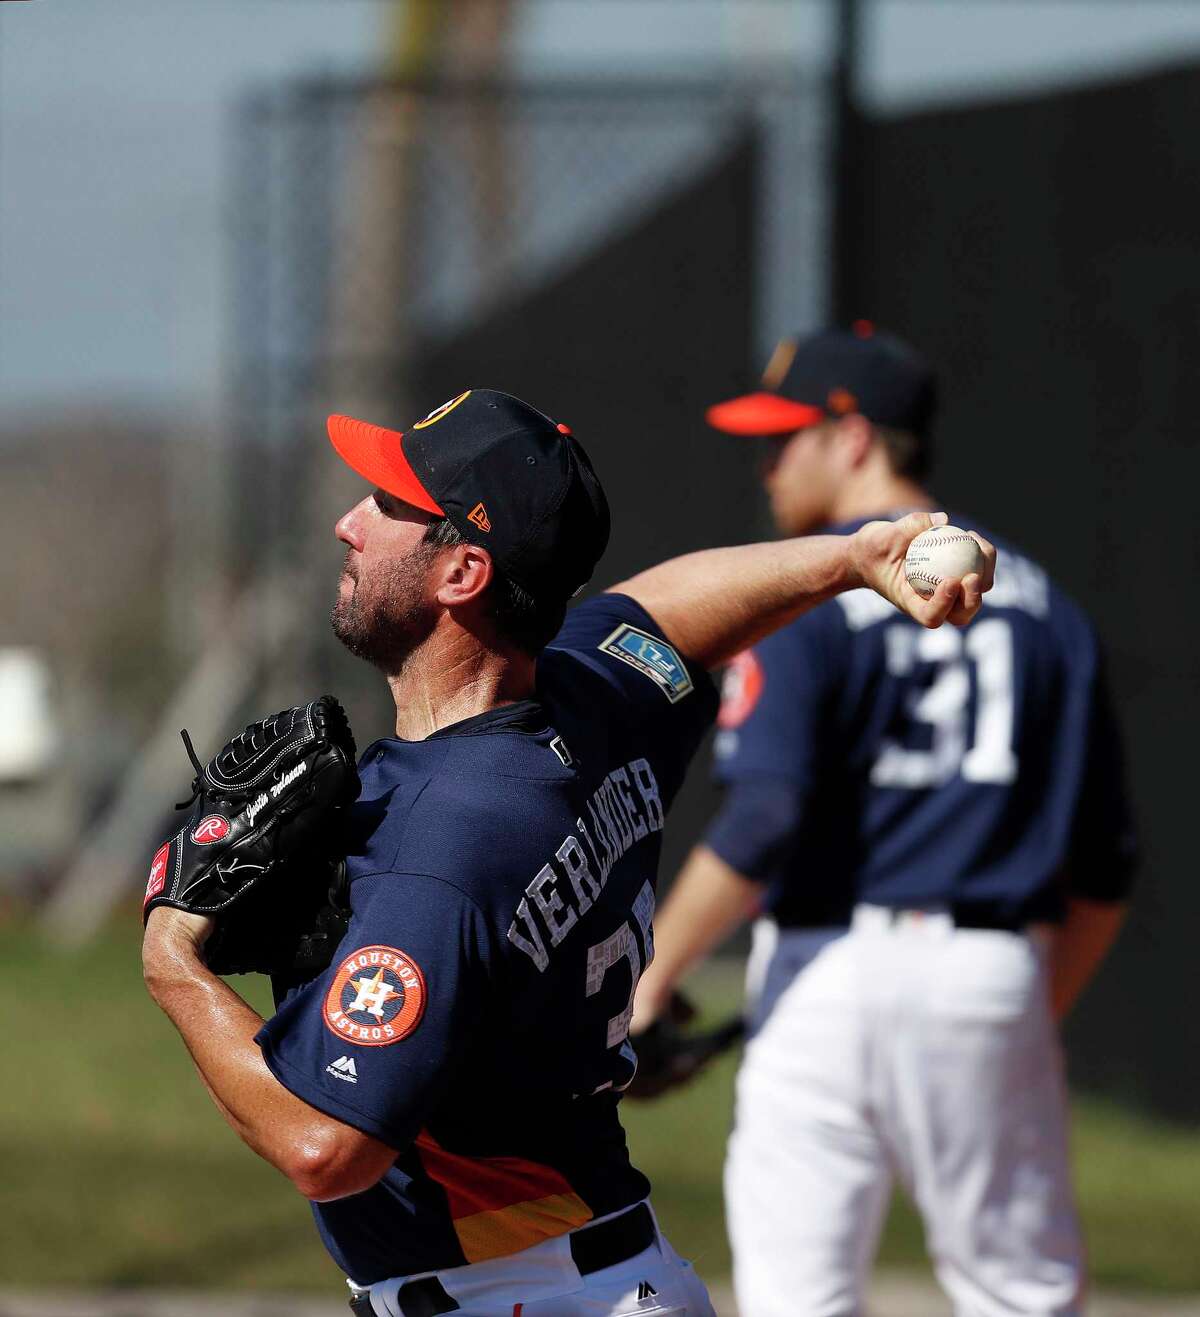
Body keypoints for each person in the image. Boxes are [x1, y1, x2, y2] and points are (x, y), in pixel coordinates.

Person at [141, 386, 991, 1317]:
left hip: (513, 1295)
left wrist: (174, 959)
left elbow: (327, 1149)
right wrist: (846, 559)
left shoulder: (438, 840)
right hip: (600, 1269)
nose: (350, 522)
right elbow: (662, 612)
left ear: (461, 573)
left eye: (389, 505)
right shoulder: (589, 699)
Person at [630, 326, 1137, 1317]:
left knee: (796, 1299)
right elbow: (1106, 865)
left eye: (787, 436)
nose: (767, 460)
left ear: (854, 437)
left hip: (824, 982)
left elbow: (767, 816)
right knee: (1021, 1295)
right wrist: (1028, 1003)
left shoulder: (807, 599)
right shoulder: (1047, 610)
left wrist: (649, 981)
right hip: (990, 973)